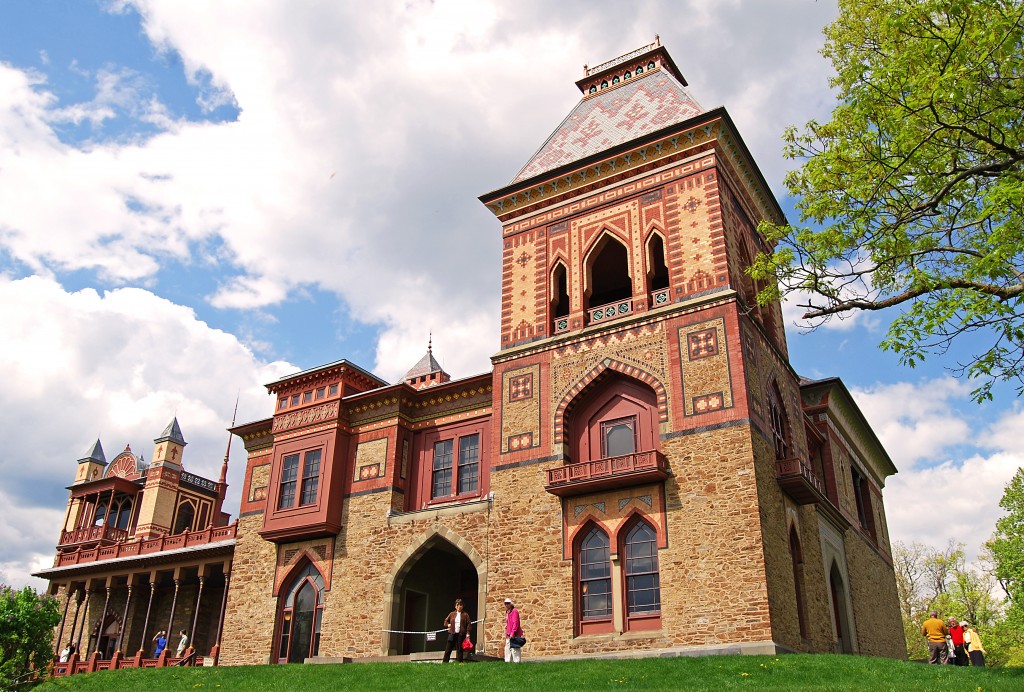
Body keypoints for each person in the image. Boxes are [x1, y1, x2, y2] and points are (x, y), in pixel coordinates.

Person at [442, 598, 471, 663]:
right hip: (452, 633)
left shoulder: (465, 615)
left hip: (461, 634)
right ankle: (445, 662)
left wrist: (468, 633)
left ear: (462, 606)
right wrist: (448, 625)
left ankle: (460, 663)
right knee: (448, 649)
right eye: (457, 605)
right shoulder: (452, 614)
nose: (459, 606)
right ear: (455, 606)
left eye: (460, 605)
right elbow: (445, 621)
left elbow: (469, 624)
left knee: (460, 649)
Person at [503, 597, 523, 663]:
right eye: (505, 603)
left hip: (514, 634)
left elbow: (515, 623)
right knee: (507, 648)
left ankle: (517, 662)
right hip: (508, 634)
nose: (506, 605)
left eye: (508, 603)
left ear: (511, 604)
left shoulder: (514, 611)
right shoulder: (508, 612)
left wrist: (513, 632)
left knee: (515, 649)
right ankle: (508, 662)